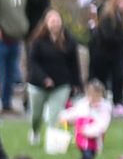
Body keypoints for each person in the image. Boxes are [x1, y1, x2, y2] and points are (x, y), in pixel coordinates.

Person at [26, 9, 82, 142]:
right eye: (52, 21)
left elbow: (74, 64)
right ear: (46, 23)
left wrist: (77, 83)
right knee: (36, 115)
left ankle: (51, 142)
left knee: (54, 116)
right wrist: (44, 78)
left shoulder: (69, 41)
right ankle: (35, 131)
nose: (55, 24)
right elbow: (33, 63)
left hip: (61, 84)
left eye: (57, 20)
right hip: (38, 84)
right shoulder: (38, 41)